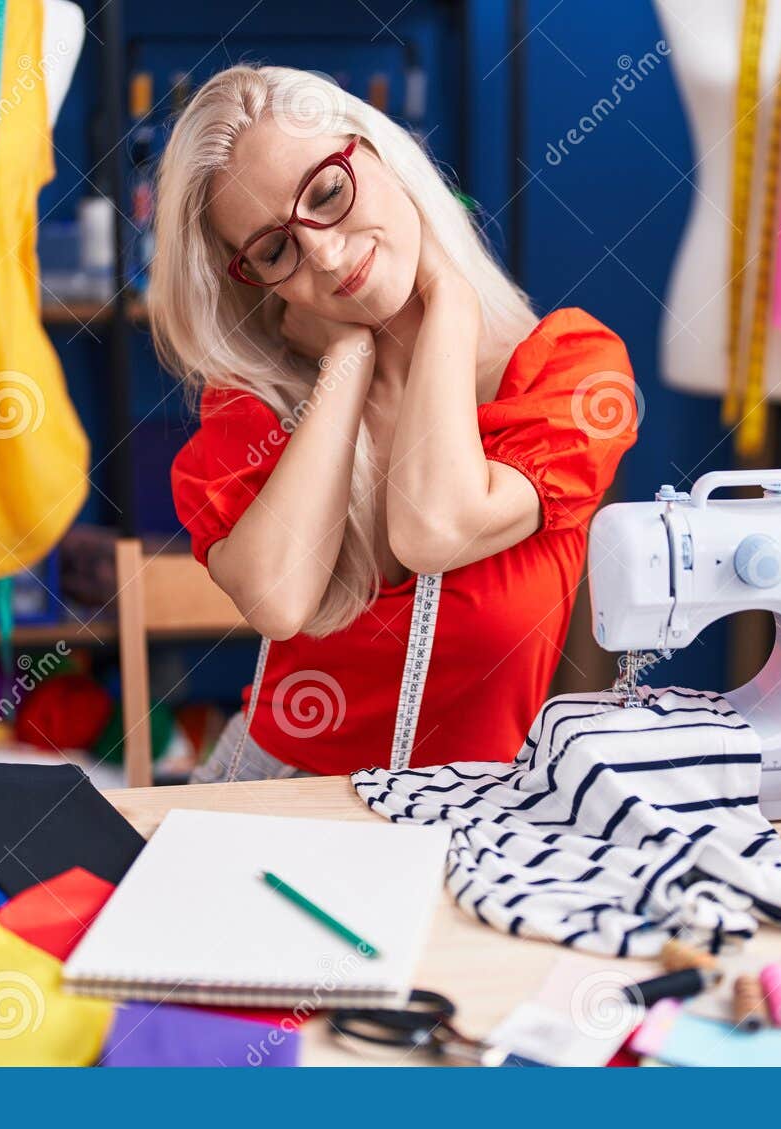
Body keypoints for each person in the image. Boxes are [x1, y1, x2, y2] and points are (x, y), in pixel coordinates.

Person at [152, 65, 638, 780]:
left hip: (470, 818)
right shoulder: (256, 401)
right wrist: (347, 361)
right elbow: (278, 599)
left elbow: (434, 525)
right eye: (275, 250)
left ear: (385, 155)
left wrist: (452, 301)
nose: (320, 249)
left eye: (328, 192)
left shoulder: (567, 373)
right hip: (273, 796)